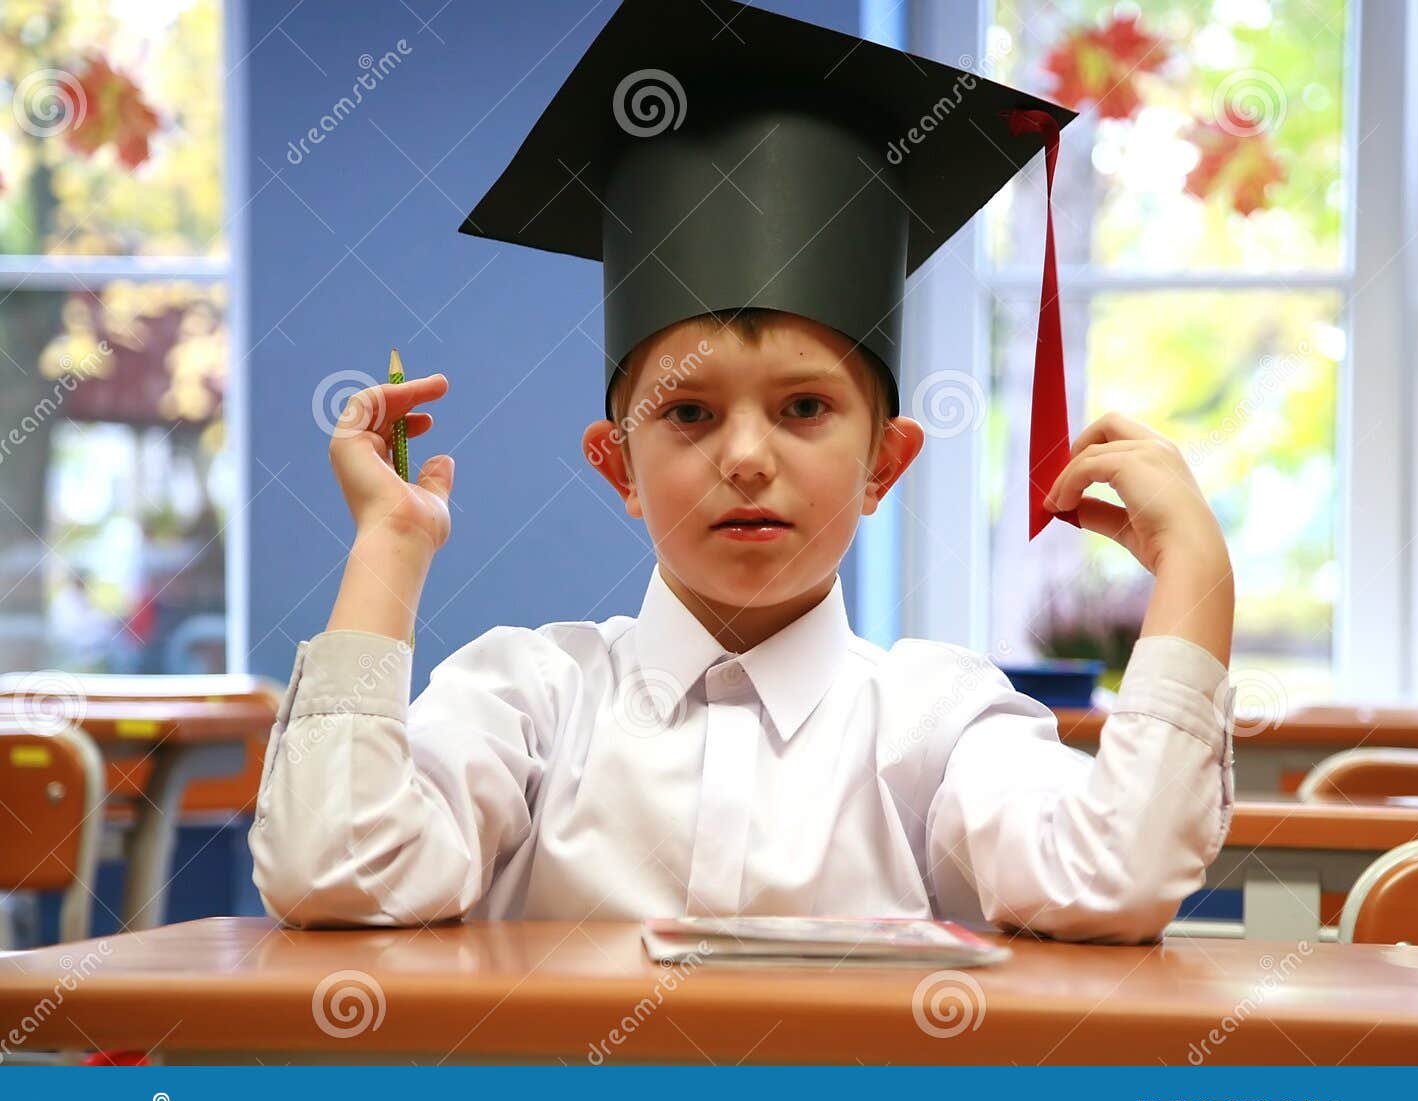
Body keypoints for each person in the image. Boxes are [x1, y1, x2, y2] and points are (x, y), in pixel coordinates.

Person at [249, 0, 1236, 944]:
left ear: (884, 463)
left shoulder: (940, 725)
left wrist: (1194, 571)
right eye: (687, 412)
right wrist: (390, 542)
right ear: (618, 465)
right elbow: (335, 875)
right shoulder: (528, 700)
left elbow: (1110, 880)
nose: (749, 456)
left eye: (805, 408)